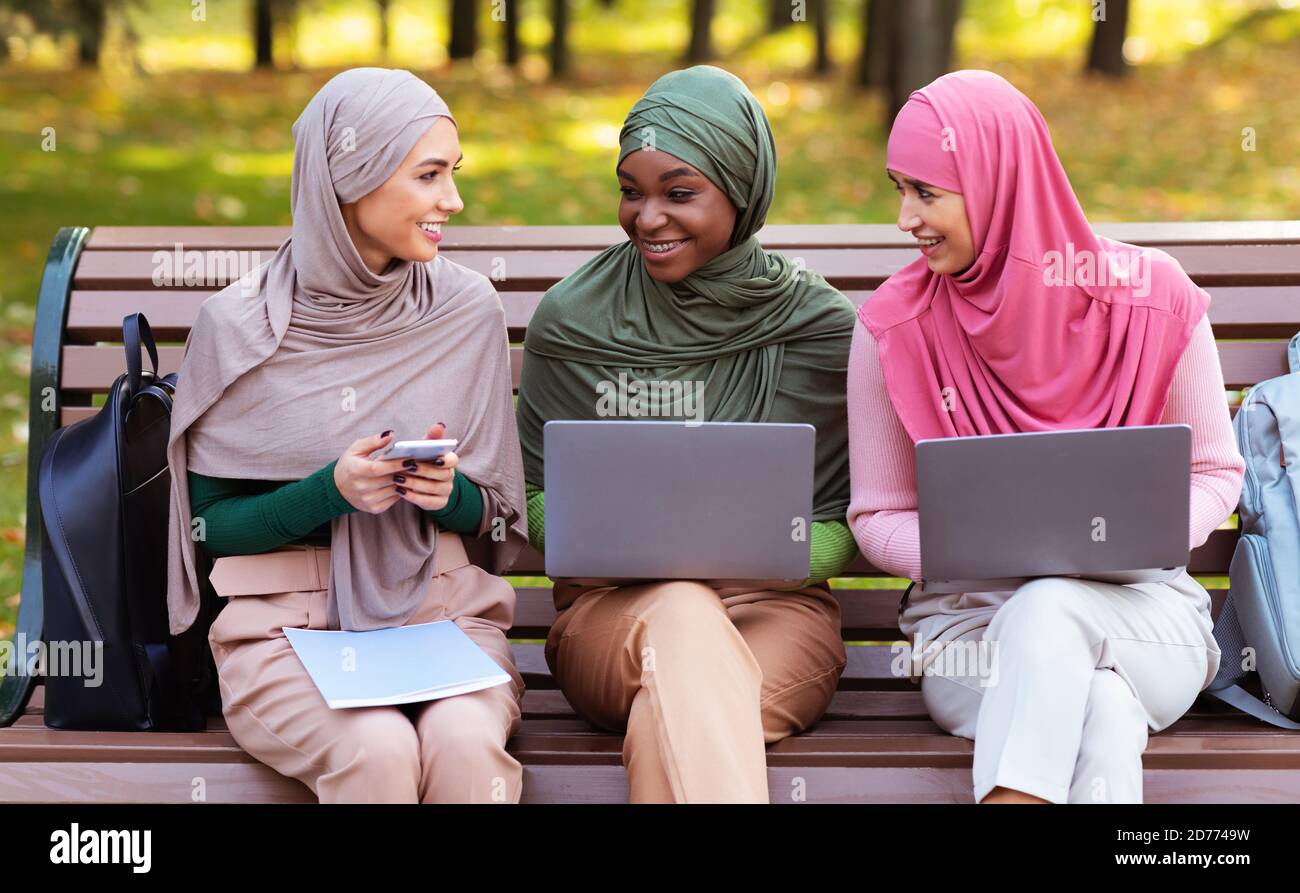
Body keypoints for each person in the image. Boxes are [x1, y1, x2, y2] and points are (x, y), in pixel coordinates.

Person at [847, 69, 1246, 804]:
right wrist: (970, 549)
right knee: (1100, 707)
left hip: (1141, 616)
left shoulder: (1153, 297)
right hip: (973, 634)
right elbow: (875, 514)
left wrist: (1151, 534)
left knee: (1051, 607)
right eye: (897, 188)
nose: (905, 218)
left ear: (1003, 182)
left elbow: (1216, 469)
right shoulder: (892, 328)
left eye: (926, 192)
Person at [164, 67, 530, 804]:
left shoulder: (467, 310)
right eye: (428, 176)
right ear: (349, 177)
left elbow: (493, 513)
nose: (451, 201)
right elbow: (207, 527)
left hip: (443, 611)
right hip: (282, 629)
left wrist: (445, 493)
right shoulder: (239, 328)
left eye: (452, 174)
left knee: (466, 749)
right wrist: (326, 494)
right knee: (377, 749)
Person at [516, 65, 859, 803]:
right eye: (630, 191)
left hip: (775, 614)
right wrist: (654, 556)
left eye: (679, 193)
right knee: (678, 613)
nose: (646, 218)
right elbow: (535, 498)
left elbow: (851, 522)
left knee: (676, 712)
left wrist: (760, 561)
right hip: (611, 618)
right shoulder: (573, 321)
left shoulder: (821, 329)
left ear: (742, 191)